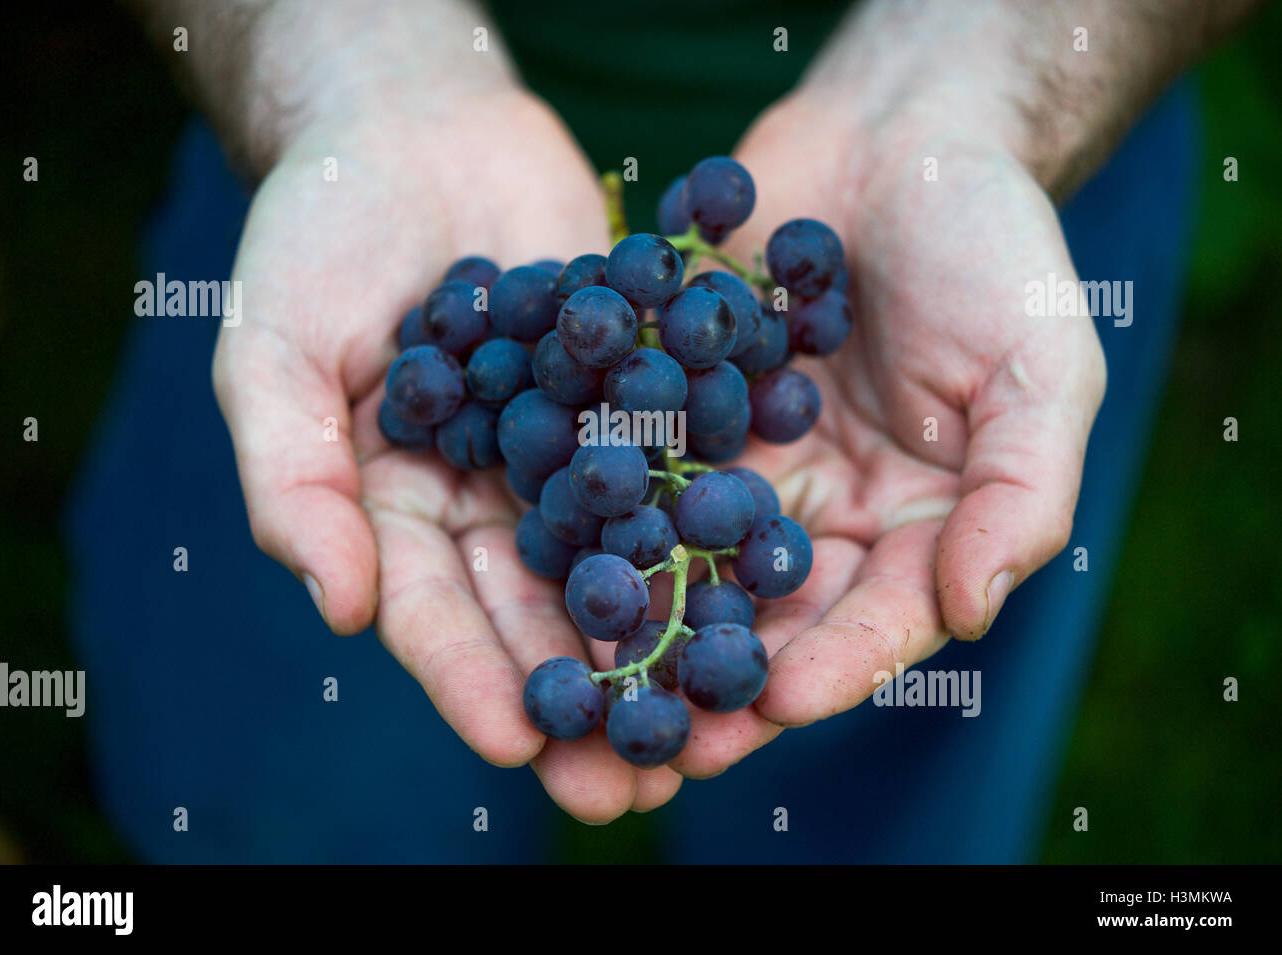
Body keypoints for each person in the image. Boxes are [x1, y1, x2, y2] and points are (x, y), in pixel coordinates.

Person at [68, 0, 1256, 861]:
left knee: (879, 814)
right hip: (344, 169)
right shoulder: (552, 373)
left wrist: (974, 79)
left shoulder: (731, 376)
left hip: (997, 159)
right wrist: (336, 57)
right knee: (275, 808)